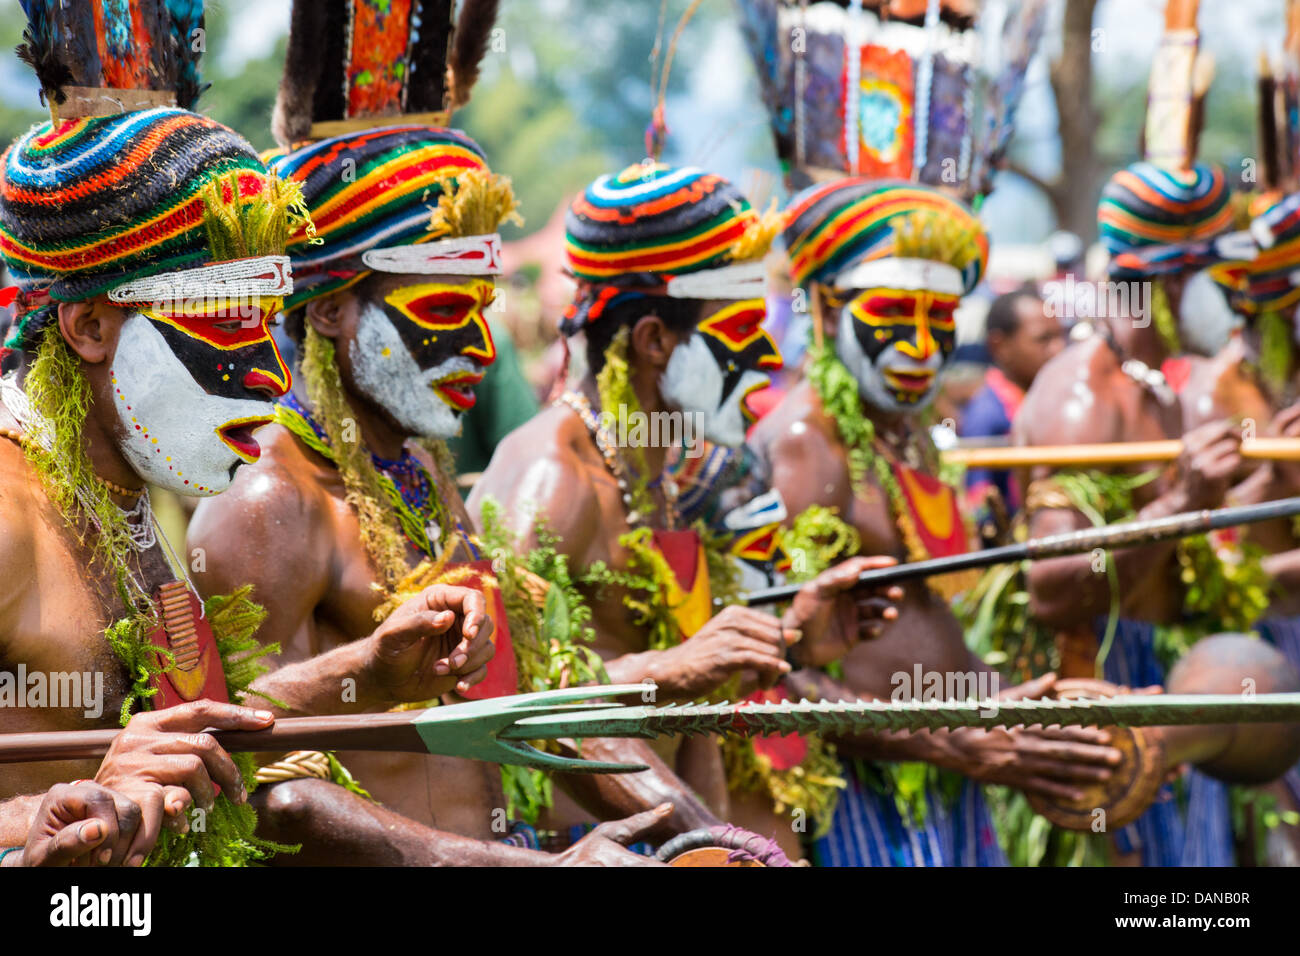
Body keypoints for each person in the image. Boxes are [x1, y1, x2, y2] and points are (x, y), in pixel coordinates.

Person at [188, 0, 701, 863]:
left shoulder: (418, 473)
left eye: (483, 309)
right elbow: (260, 790)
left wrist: (711, 840)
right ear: (337, 310)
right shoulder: (270, 501)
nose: (482, 346)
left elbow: (542, 702)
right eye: (442, 313)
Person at [471, 163, 929, 859]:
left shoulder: (656, 470)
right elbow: (501, 696)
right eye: (744, 329)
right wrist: (677, 671)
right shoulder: (555, 477)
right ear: (656, 341)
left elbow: (669, 684)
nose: (771, 356)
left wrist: (784, 643)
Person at [747, 178, 1122, 867]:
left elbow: (924, 619)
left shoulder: (911, 435)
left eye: (939, 317)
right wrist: (949, 738)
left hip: (957, 772)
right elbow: (770, 667)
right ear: (826, 312)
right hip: (864, 787)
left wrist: (1014, 708)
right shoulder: (808, 442)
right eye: (894, 315)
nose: (921, 347)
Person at [960, 286, 1065, 514]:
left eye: (1060, 336)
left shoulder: (1045, 399)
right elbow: (979, 510)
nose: (1059, 349)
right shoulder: (987, 416)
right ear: (1000, 346)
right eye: (1043, 339)